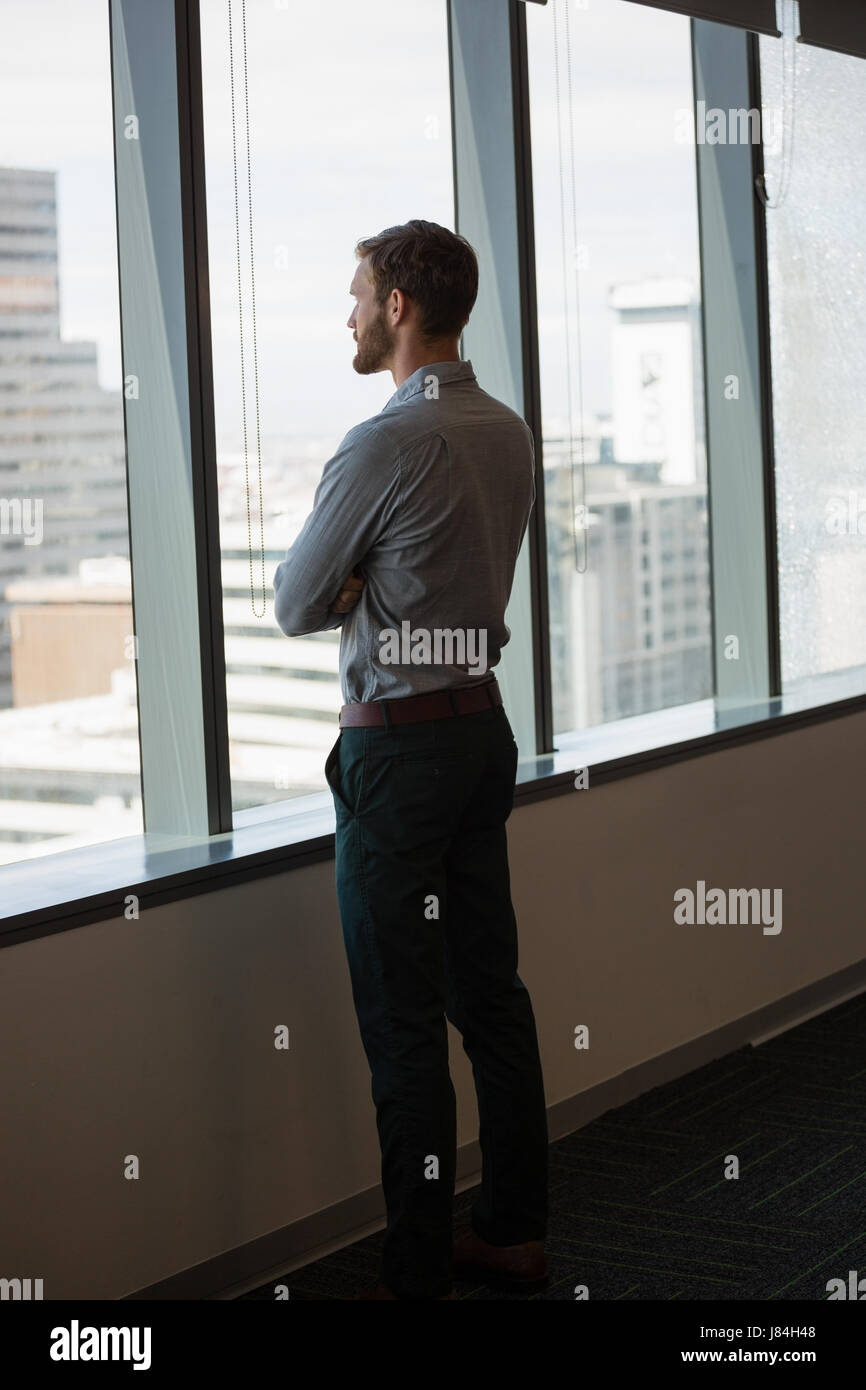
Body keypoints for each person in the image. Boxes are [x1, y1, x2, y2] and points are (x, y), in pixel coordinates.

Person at [273, 219, 548, 1301]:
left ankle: (414, 1271)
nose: (346, 313)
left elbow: (297, 598)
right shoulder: (505, 428)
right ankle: (513, 1232)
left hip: (398, 756)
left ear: (397, 305)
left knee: (401, 1025)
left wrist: (355, 588)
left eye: (355, 295)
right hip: (479, 733)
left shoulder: (383, 441)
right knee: (491, 998)